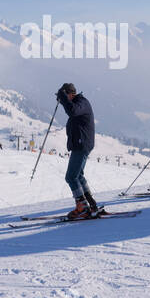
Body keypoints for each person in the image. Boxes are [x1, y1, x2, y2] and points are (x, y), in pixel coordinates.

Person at [56, 82, 98, 219]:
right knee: (78, 175)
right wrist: (63, 99)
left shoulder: (81, 102)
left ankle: (82, 207)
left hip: (82, 144)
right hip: (82, 144)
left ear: (70, 94)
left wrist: (62, 97)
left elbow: (72, 111)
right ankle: (90, 204)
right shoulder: (79, 102)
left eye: (63, 95)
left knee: (71, 177)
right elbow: (72, 110)